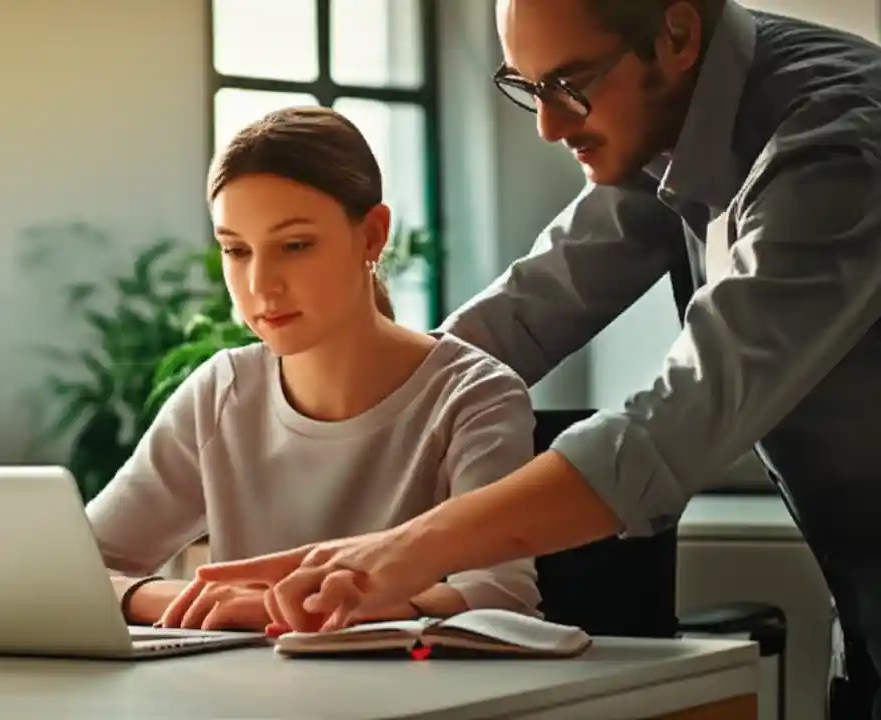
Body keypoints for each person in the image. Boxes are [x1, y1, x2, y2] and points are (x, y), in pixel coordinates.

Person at [196, 1, 881, 717]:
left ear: (677, 34)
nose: (548, 126)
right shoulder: (673, 116)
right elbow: (532, 304)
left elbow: (668, 429)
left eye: (568, 84)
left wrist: (403, 549)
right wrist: (352, 422)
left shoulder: (837, 142)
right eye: (526, 87)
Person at [84, 105, 541, 632]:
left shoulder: (474, 396)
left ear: (372, 235)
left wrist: (298, 609)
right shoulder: (221, 393)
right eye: (236, 250)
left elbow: (498, 595)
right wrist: (190, 602)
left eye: (295, 246)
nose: (261, 285)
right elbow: (77, 564)